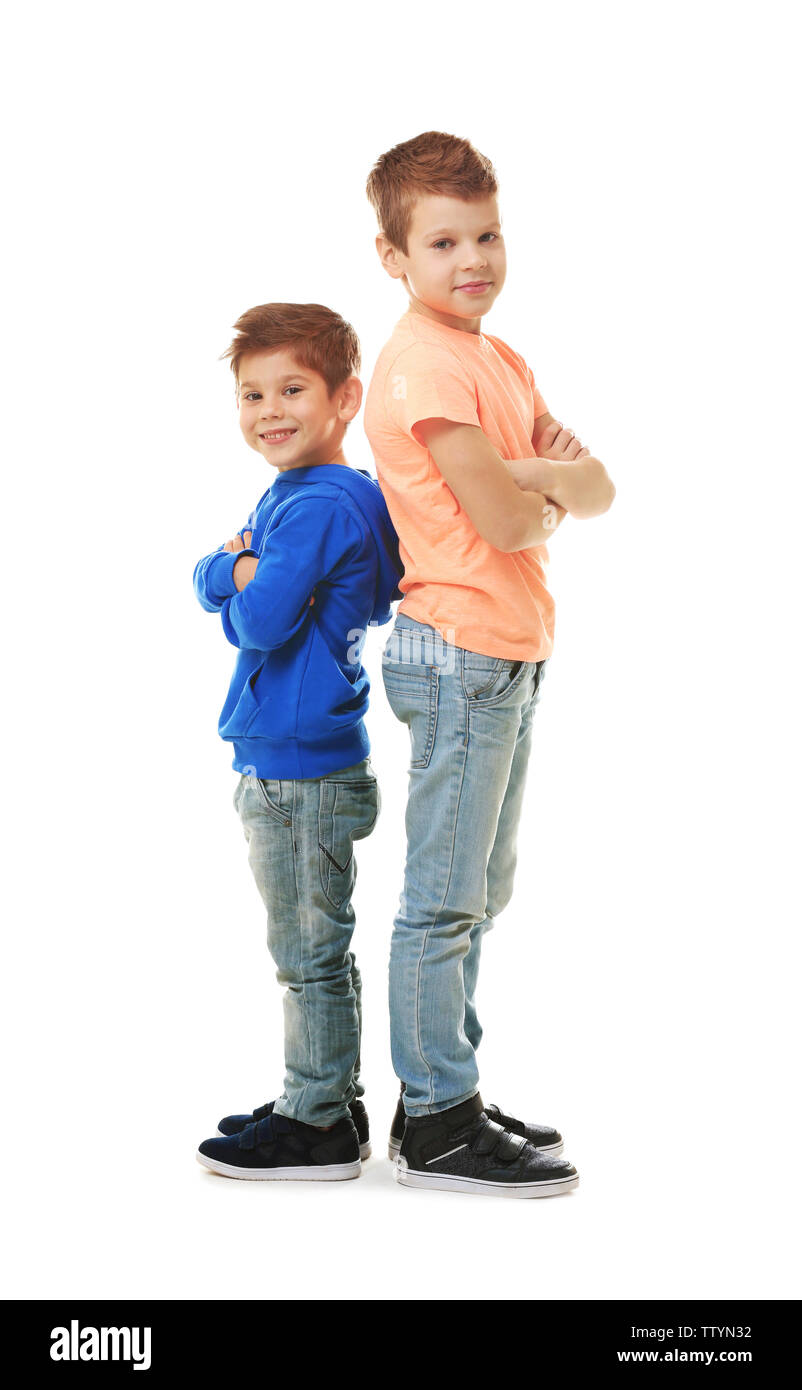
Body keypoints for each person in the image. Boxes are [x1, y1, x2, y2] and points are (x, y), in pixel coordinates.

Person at [364, 131, 616, 1198]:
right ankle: (435, 1120)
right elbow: (514, 519)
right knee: (443, 895)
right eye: (444, 241)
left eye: (487, 233)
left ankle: (449, 1083)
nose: (474, 258)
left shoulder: (496, 358)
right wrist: (537, 481)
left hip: (507, 651)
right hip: (460, 649)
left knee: (481, 888)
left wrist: (538, 481)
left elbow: (600, 484)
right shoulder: (424, 362)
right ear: (394, 257)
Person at [193, 303, 402, 1182]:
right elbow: (214, 574)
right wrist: (233, 570)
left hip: (298, 771)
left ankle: (317, 1122)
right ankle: (327, 1094)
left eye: (291, 389)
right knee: (319, 946)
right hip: (303, 761)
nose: (268, 410)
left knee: (307, 954)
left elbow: (258, 621)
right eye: (251, 393)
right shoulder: (306, 494)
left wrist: (241, 577)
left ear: (344, 397)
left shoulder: (316, 504)